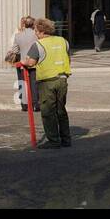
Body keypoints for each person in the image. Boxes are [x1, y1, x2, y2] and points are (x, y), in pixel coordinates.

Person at [32, 17, 72, 148]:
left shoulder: (38, 44)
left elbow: (30, 62)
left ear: (41, 31)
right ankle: (66, 139)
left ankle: (54, 141)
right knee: (61, 110)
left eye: (36, 31)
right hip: (62, 79)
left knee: (48, 111)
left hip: (47, 82)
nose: (35, 33)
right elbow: (67, 56)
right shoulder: (63, 41)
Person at [9, 16, 40, 114]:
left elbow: (15, 50)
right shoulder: (37, 36)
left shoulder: (18, 36)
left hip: (23, 63)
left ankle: (24, 104)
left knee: (23, 83)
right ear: (33, 24)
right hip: (35, 62)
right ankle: (36, 104)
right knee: (34, 84)